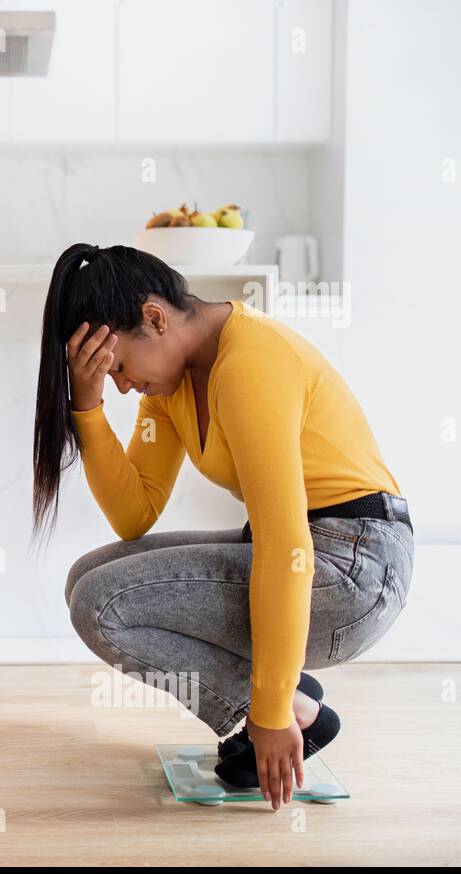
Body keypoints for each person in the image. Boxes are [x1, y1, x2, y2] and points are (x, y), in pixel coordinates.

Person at [32, 242, 414, 810]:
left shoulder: (250, 363)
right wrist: (86, 407)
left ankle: (286, 708)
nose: (120, 385)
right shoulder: (176, 384)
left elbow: (288, 546)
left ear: (155, 318)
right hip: (310, 552)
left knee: (101, 603)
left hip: (355, 568)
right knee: (88, 576)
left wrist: (269, 713)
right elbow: (134, 512)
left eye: (115, 369)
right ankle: (294, 701)